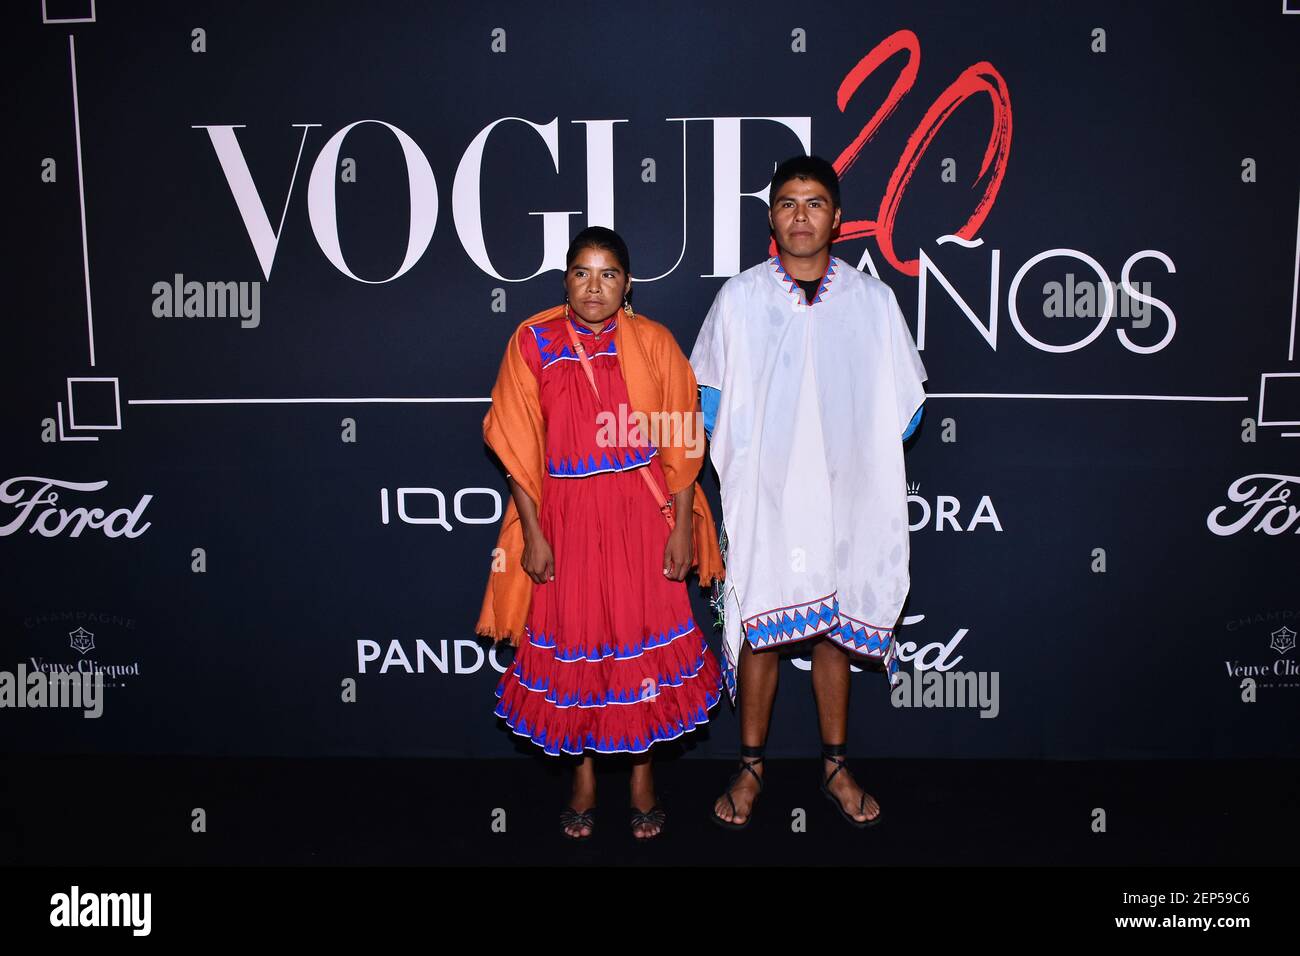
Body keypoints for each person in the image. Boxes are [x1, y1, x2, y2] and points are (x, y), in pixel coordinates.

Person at [689, 155, 928, 830]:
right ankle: (752, 768)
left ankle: (834, 766)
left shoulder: (872, 301)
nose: (801, 215)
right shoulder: (741, 299)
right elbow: (706, 397)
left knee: (834, 628)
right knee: (763, 626)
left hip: (850, 494)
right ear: (771, 216)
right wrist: (756, 462)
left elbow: (907, 407)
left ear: (836, 217)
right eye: (788, 202)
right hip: (767, 498)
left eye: (815, 202)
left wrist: (852, 449)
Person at [477, 226, 726, 841]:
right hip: (564, 517)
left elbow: (683, 440)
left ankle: (642, 775)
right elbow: (515, 445)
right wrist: (534, 534)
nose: (594, 287)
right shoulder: (532, 341)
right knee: (579, 642)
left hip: (642, 519)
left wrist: (679, 528)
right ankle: (583, 775)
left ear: (628, 282)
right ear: (566, 279)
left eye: (608, 274)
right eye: (582, 273)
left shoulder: (653, 342)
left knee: (639, 643)